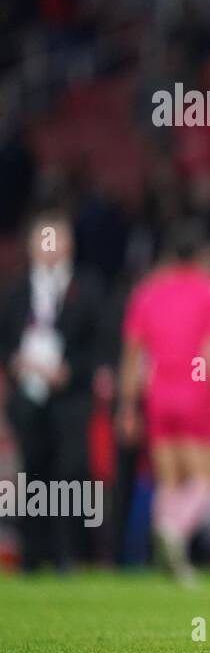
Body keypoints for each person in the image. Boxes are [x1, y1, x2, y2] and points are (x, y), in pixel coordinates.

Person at [118, 220, 210, 584]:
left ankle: (173, 559)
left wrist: (128, 407)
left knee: (168, 479)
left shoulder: (147, 293)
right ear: (201, 255)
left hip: (159, 395)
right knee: (203, 479)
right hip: (197, 392)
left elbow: (133, 355)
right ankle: (173, 532)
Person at [0, 209, 106, 571]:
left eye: (56, 237)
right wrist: (16, 362)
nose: (49, 246)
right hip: (28, 397)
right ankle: (32, 553)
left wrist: (71, 371)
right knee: (31, 472)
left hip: (71, 399)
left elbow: (101, 344)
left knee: (70, 473)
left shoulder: (89, 288)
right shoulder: (15, 291)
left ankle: (65, 553)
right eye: (43, 238)